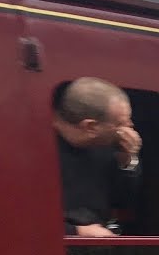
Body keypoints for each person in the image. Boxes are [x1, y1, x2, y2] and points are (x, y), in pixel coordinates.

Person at [54, 77, 142, 237]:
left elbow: (124, 201)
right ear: (91, 126)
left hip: (96, 248)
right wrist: (75, 231)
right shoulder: (33, 148)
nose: (130, 128)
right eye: (121, 123)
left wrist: (128, 160)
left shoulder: (107, 145)